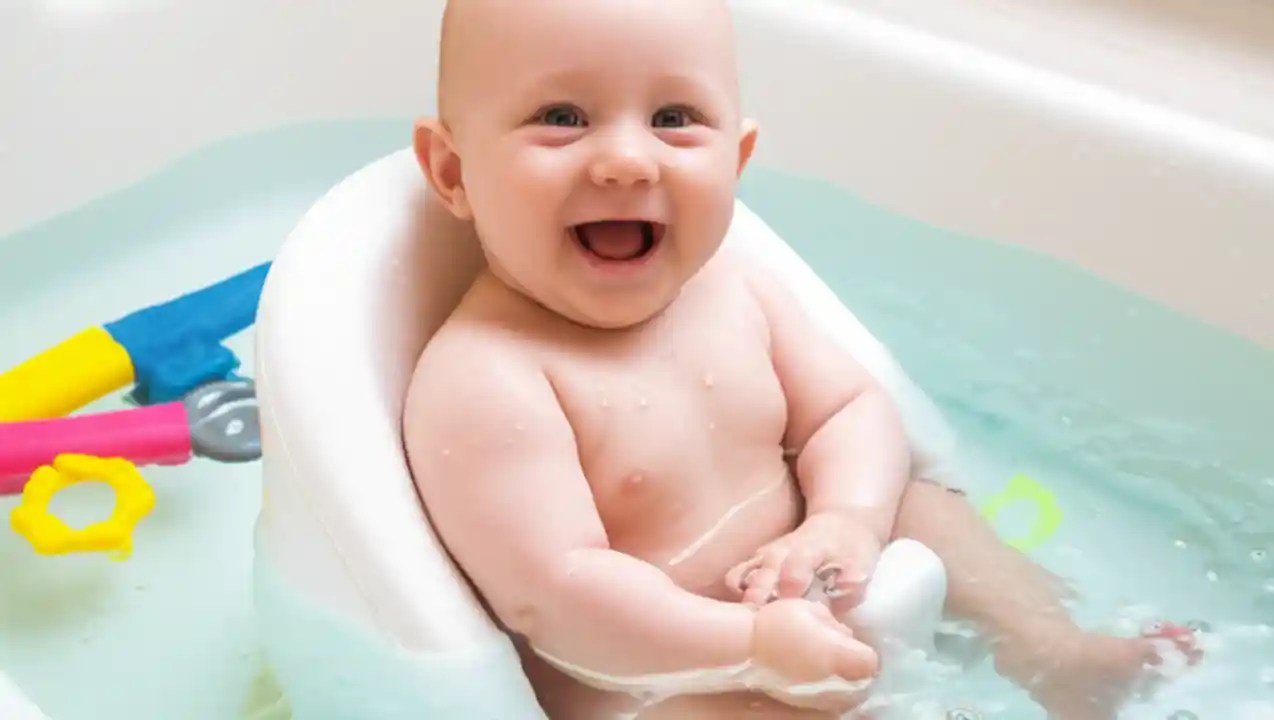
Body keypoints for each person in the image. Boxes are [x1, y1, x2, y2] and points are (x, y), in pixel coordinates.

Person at [402, 1, 1197, 717]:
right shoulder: (491, 378)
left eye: (675, 117)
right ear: (452, 171)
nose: (628, 161)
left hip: (810, 582)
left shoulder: (735, 289)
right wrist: (747, 648)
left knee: (922, 506)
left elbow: (848, 410)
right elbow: (560, 596)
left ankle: (1055, 656)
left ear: (737, 161)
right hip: (661, 681)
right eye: (563, 116)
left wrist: (843, 520)